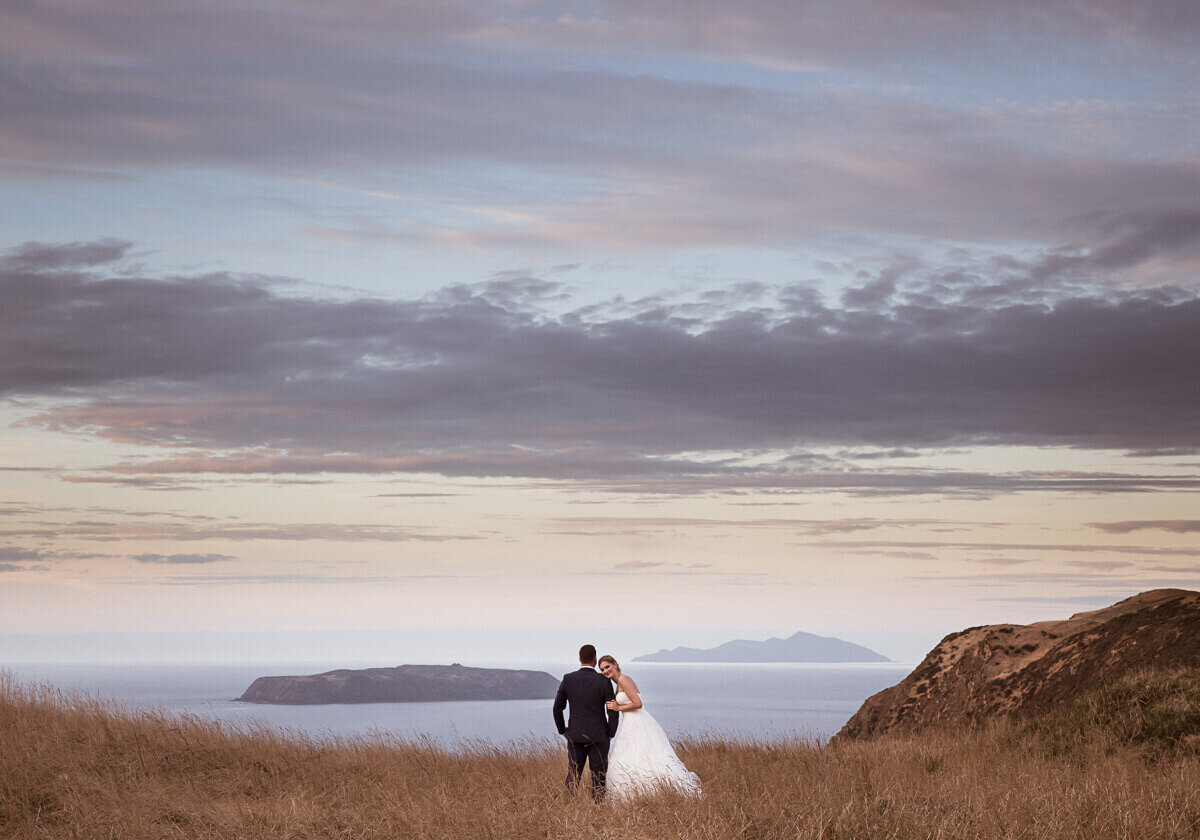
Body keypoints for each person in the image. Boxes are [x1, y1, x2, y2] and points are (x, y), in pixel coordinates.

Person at [599, 654, 701, 801]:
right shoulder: (618, 683)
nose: (605, 671)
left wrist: (617, 707)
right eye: (602, 669)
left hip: (638, 722)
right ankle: (638, 792)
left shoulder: (623, 679)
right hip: (630, 723)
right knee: (633, 756)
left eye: (607, 667)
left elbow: (638, 703)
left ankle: (656, 789)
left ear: (615, 664)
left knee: (645, 756)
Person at [552, 644, 620, 800]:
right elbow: (612, 710)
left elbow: (557, 708)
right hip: (599, 737)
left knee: (573, 774)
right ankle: (598, 810)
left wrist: (563, 730)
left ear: (579, 658)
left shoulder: (568, 679)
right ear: (595, 659)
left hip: (575, 735)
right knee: (599, 777)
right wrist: (610, 733)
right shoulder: (603, 681)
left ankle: (567, 805)